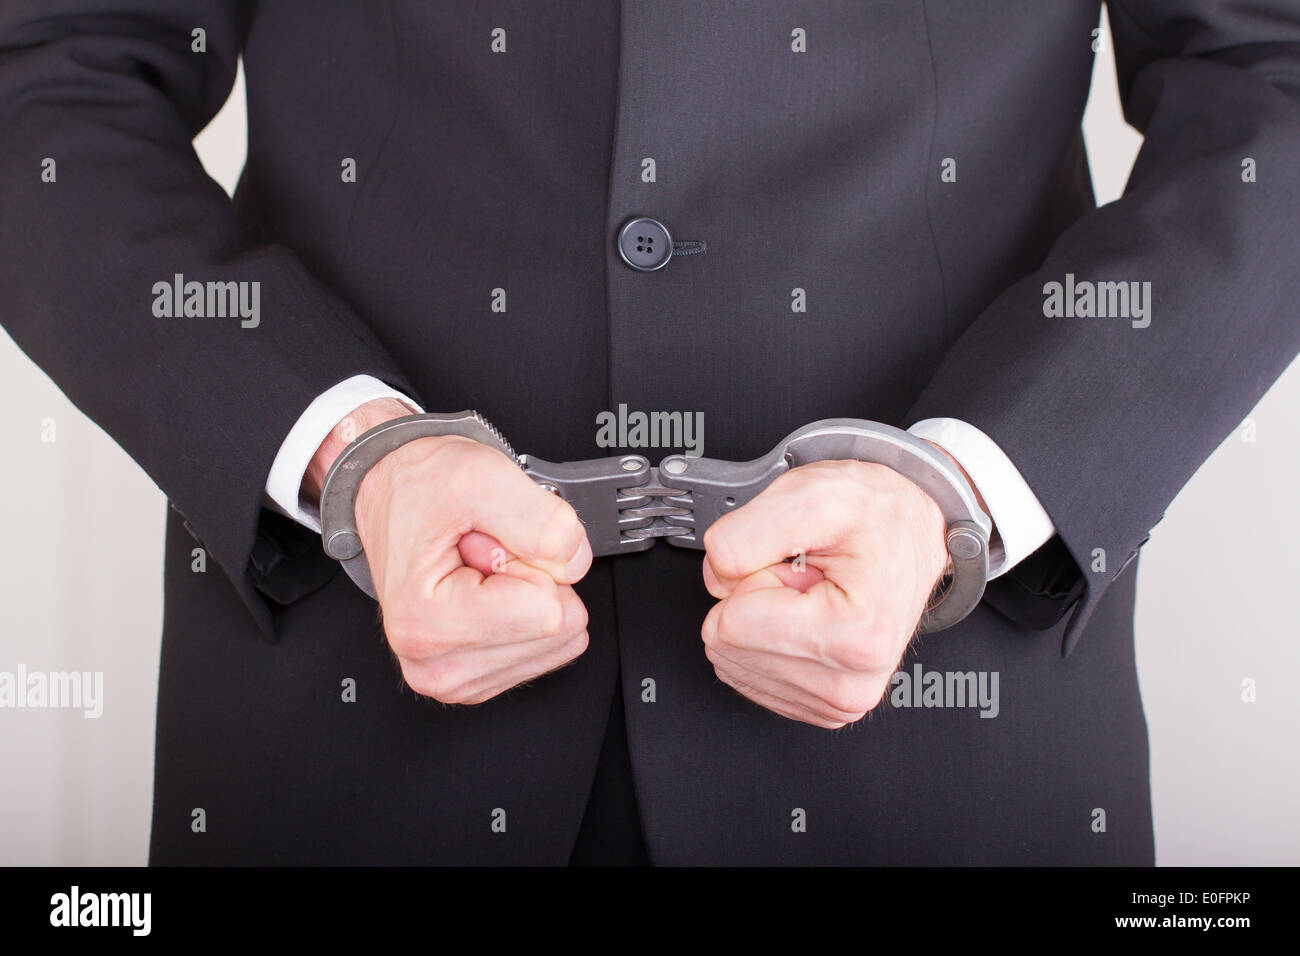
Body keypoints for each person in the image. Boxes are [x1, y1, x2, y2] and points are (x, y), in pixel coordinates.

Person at [2, 1, 1297, 865]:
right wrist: (347, 453)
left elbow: (1277, 82)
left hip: (944, 752)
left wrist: (964, 488)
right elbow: (48, 83)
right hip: (352, 742)